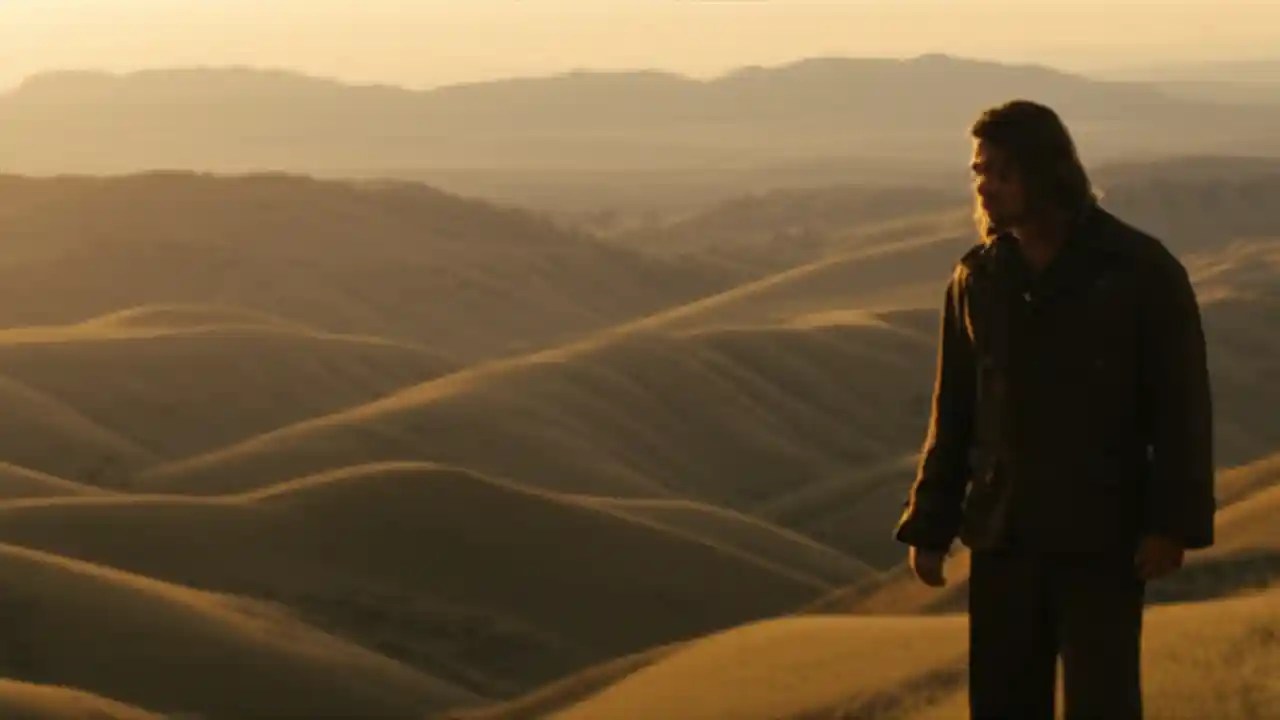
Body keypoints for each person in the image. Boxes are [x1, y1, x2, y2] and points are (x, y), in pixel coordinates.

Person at [892, 99, 1216, 720]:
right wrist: (930, 526)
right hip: (1004, 536)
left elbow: (1181, 408)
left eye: (1002, 173)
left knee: (1104, 703)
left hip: (1103, 535)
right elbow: (955, 411)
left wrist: (1171, 523)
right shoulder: (977, 279)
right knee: (1003, 704)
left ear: (1047, 175)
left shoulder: (1138, 271)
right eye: (978, 171)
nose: (985, 187)